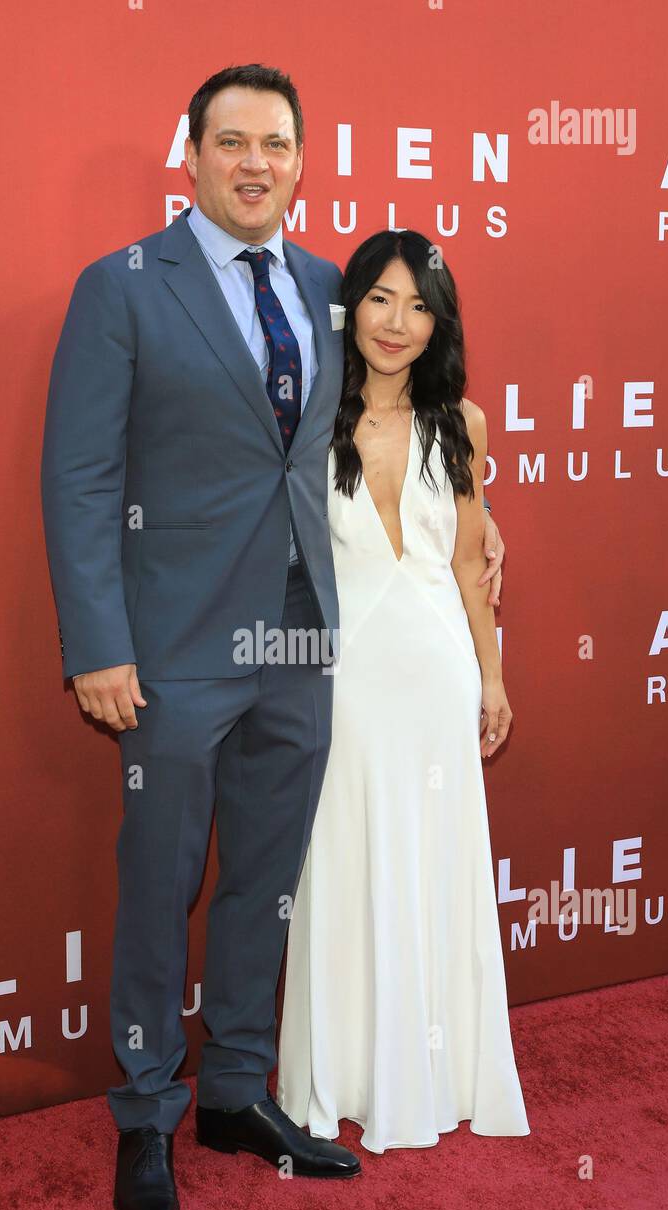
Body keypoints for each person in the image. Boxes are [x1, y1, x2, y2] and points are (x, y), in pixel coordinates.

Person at [40, 65, 507, 1210]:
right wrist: (98, 642)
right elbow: (82, 477)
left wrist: (472, 526)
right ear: (191, 156)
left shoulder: (323, 289)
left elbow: (385, 433)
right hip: (171, 649)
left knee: (264, 879)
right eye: (231, 141)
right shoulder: (121, 289)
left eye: (277, 144)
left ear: (302, 161)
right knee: (162, 883)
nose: (255, 162)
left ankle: (236, 1091)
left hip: (303, 643)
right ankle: (147, 1108)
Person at [276, 231, 530, 1153]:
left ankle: (440, 1067)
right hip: (341, 678)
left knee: (433, 861)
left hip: (434, 671)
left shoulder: (463, 423)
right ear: (351, 309)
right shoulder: (305, 417)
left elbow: (468, 562)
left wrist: (492, 675)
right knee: (342, 864)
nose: (398, 323)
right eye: (381, 300)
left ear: (440, 323)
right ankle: (343, 1072)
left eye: (420, 305)